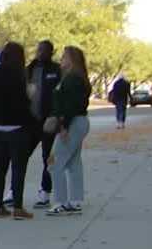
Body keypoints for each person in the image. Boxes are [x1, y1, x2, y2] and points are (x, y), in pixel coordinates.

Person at [0, 42, 35, 220]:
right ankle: (18, 207)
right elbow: (25, 102)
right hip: (17, 127)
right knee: (18, 169)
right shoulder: (20, 75)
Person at [46, 46, 92, 217]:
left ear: (72, 59)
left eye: (64, 56)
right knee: (73, 162)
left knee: (54, 163)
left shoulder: (72, 79)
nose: (61, 59)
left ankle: (61, 202)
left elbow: (70, 105)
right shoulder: (74, 78)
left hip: (72, 123)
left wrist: (63, 126)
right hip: (78, 122)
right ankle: (75, 200)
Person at [26, 40, 62, 209]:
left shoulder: (56, 70)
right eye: (39, 49)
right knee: (21, 154)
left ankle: (45, 192)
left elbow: (60, 95)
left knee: (47, 157)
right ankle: (13, 190)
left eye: (44, 50)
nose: (40, 53)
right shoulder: (30, 69)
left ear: (51, 52)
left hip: (48, 121)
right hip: (32, 120)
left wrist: (56, 116)